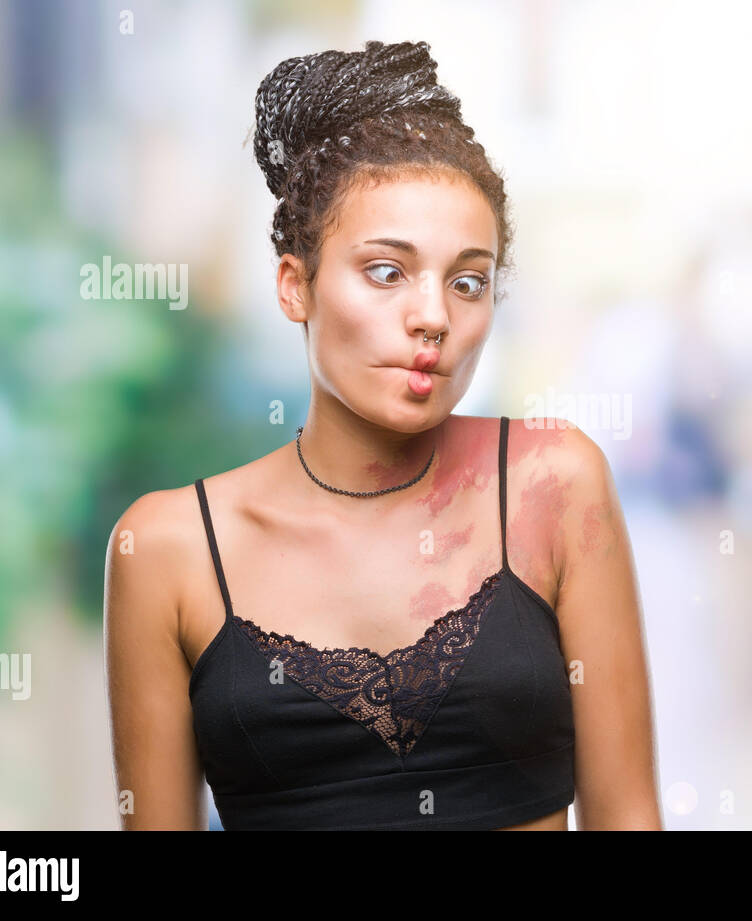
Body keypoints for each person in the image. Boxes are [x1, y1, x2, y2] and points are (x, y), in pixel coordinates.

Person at [103, 40, 660, 830]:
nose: (433, 315)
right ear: (295, 285)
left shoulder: (552, 481)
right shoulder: (168, 549)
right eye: (387, 271)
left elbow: (628, 817)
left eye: (468, 281)